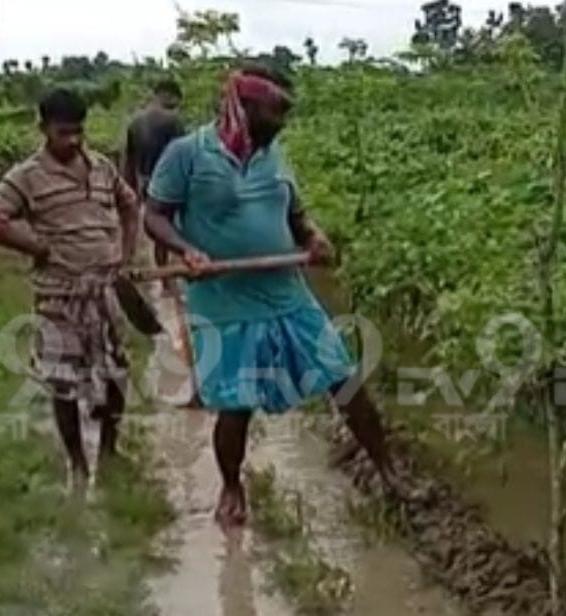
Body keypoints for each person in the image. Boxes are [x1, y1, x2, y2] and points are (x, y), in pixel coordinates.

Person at [143, 64, 398, 525]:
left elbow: (296, 215)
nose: (280, 126)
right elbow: (154, 215)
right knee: (235, 403)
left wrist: (314, 237)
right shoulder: (186, 154)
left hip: (286, 293)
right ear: (242, 108)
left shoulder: (274, 154)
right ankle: (231, 487)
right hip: (223, 300)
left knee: (344, 378)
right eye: (273, 115)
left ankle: (390, 472)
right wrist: (187, 250)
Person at [0, 88, 140, 495]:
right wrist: (36, 247)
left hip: (105, 290)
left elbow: (130, 205)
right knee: (64, 382)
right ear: (43, 128)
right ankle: (77, 462)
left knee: (117, 372)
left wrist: (127, 257)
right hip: (59, 295)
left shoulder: (100, 166)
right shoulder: (27, 175)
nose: (74, 140)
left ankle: (110, 449)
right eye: (64, 132)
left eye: (79, 131)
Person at [122, 79, 188, 294]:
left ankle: (161, 278)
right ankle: (172, 277)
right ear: (170, 96)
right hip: (170, 181)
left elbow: (129, 161)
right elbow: (184, 156)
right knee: (172, 228)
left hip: (145, 181)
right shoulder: (174, 121)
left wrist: (130, 189)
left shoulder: (135, 121)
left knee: (156, 228)